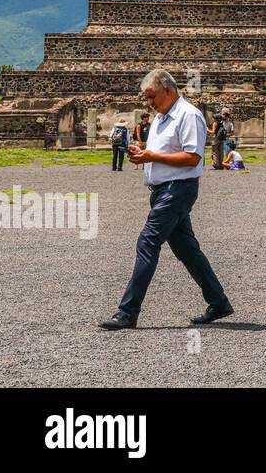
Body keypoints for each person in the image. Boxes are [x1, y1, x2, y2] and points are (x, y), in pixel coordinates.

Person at [99, 69, 233, 330]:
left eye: (151, 96)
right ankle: (218, 302)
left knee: (147, 243)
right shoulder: (162, 117)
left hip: (178, 190)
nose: (148, 103)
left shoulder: (188, 115)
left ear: (168, 90)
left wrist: (151, 158)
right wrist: (145, 153)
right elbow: (163, 152)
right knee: (187, 251)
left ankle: (128, 312)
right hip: (163, 191)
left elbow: (193, 158)